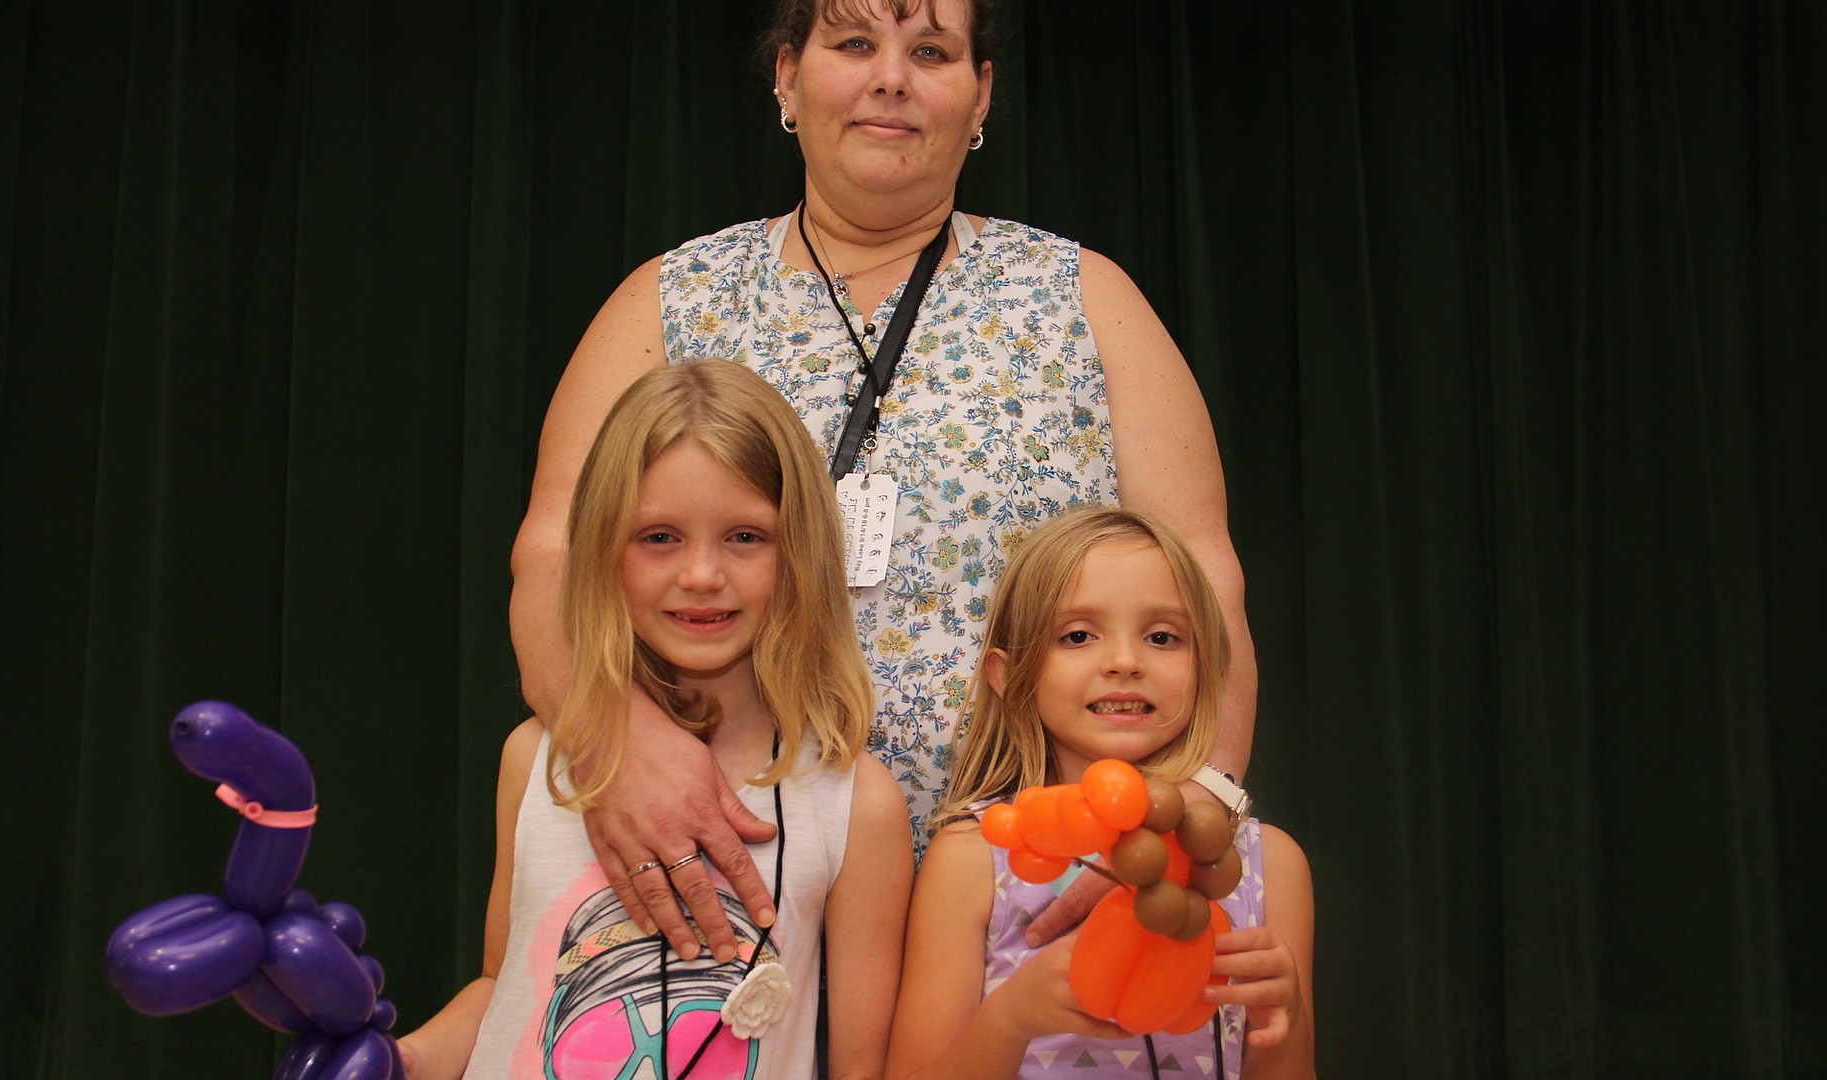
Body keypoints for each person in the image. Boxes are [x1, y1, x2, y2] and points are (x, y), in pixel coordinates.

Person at [509, 0, 1258, 959]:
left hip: (1035, 889)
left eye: (932, 51)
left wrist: (1205, 800)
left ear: (980, 94)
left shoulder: (1086, 299)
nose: (891, 76)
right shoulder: (671, 298)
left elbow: (1202, 575)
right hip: (728, 869)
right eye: (854, 42)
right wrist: (614, 741)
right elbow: (553, 556)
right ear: (788, 75)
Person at [400, 361, 913, 1079]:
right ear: (603, 551)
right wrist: (405, 1059)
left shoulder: (857, 804)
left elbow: (863, 1068)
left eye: (744, 536)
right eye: (660, 537)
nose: (701, 575)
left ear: (801, 552)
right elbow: (501, 985)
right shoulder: (535, 759)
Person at [884, 508, 1313, 1079]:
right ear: (1008, 677)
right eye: (1078, 636)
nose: (1124, 663)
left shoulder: (1269, 864)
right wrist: (1010, 1018)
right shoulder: (972, 859)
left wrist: (1280, 1013)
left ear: (1206, 670)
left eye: (1163, 637)